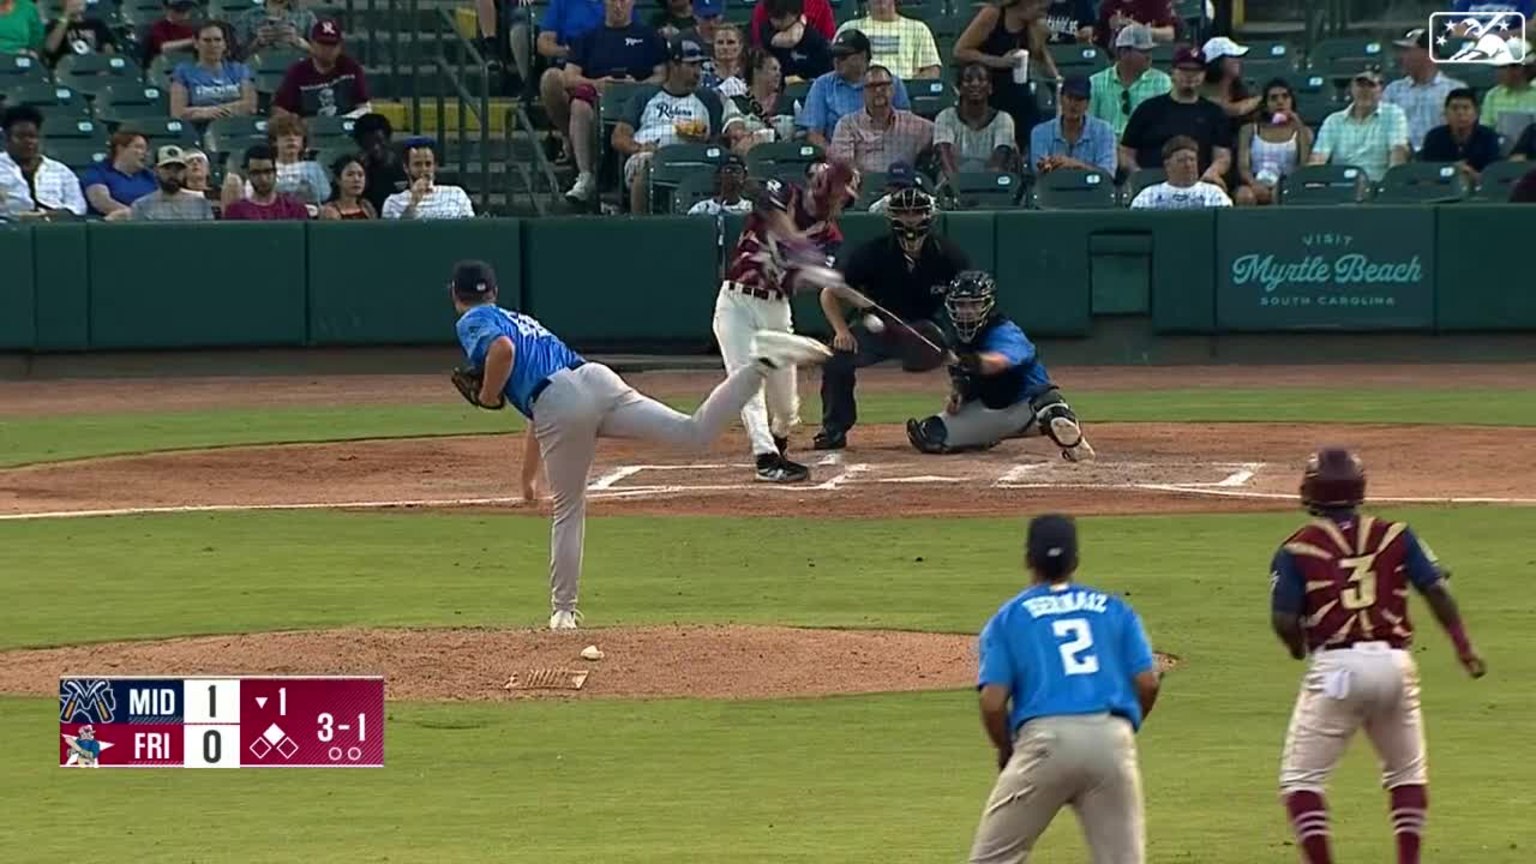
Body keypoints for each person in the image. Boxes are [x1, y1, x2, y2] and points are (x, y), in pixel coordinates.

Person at [449, 260, 836, 630]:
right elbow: (537, 404)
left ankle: (563, 614)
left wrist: (486, 394)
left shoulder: (473, 319)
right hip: (595, 379)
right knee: (693, 433)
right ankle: (763, 361)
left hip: (560, 405)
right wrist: (527, 479)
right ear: (495, 291)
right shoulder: (520, 318)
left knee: (569, 512)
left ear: (455, 293)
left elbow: (502, 351)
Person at [1271, 447, 1486, 864]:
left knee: (1302, 781)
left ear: (1311, 490)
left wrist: (1298, 647)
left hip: (1336, 668)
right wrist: (1463, 647)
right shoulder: (1397, 534)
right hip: (1395, 665)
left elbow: (1283, 618)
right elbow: (1438, 591)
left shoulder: (1297, 548)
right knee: (1406, 773)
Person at [967, 513, 1160, 863]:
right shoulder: (1115, 609)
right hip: (1110, 742)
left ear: (1028, 559)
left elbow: (993, 702)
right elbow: (1147, 682)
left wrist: (1006, 749)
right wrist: (1120, 730)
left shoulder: (1010, 617)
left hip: (1045, 743)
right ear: (1075, 561)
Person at [713, 161, 856, 482]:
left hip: (776, 310)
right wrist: (799, 246)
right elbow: (768, 208)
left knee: (787, 407)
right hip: (736, 303)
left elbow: (801, 283)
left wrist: (820, 273)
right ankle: (765, 456)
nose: (841, 203)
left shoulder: (830, 236)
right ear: (823, 188)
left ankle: (777, 438)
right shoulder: (787, 192)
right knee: (745, 381)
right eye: (838, 195)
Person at [814, 186, 969, 451]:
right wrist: (841, 330)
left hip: (929, 328)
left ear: (928, 216)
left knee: (973, 358)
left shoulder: (948, 255)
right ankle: (834, 429)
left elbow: (968, 299)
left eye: (917, 213)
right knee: (836, 360)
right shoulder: (872, 253)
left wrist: (958, 345)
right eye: (904, 213)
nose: (911, 220)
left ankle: (971, 424)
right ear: (892, 217)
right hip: (880, 329)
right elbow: (830, 292)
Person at [906, 271, 1094, 460]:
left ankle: (1062, 426)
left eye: (974, 304)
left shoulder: (1004, 331)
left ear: (987, 304)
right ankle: (984, 437)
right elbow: (963, 388)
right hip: (992, 409)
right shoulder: (957, 340)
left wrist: (969, 361)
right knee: (930, 434)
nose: (967, 311)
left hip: (1026, 406)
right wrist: (958, 397)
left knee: (1049, 411)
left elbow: (999, 362)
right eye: (961, 305)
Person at [1119, 46, 1232, 190]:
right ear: (1172, 72)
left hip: (1199, 185)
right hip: (1152, 185)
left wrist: (1212, 173)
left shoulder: (1214, 113)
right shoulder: (1148, 109)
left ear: (1204, 75)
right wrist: (1139, 176)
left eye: (1196, 71)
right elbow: (1125, 152)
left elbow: (1222, 156)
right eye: (1184, 69)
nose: (1190, 75)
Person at [953, 0, 1056, 151]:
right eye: (1041, 6)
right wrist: (998, 61)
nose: (1044, 12)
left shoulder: (1034, 25)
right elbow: (960, 51)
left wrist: (1057, 79)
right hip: (987, 91)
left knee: (1032, 117)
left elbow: (1040, 55)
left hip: (1018, 91)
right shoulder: (993, 14)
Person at [1309, 67, 1409, 184]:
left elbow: (1398, 151)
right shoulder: (1333, 121)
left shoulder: (1393, 114)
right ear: (1352, 88)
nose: (1365, 90)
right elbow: (1318, 158)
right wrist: (1312, 183)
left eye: (1371, 85)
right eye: (1360, 84)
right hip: (1341, 187)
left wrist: (1392, 184)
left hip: (1376, 186)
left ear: (1380, 90)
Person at [0, 105, 87, 221]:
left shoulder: (60, 170)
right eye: (21, 137)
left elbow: (78, 207)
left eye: (32, 136)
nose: (28, 142)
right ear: (7, 138)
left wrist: (48, 215)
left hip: (55, 228)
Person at [1236, 77, 1312, 206]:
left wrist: (1299, 126)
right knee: (1244, 196)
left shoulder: (1304, 132)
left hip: (1287, 183)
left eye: (1285, 97)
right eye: (1274, 98)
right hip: (1255, 182)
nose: (1280, 102)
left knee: (1279, 194)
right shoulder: (1249, 130)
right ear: (1265, 105)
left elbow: (1304, 164)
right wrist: (1255, 184)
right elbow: (1243, 167)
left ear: (1292, 101)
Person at [936, 63, 1019, 177]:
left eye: (981, 79)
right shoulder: (945, 116)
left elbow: (999, 163)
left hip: (991, 185)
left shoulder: (1003, 119)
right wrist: (957, 188)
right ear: (959, 89)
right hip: (952, 184)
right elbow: (945, 159)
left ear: (990, 88)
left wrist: (980, 191)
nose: (975, 84)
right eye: (968, 80)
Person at [1029, 74, 1116, 176]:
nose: (1073, 104)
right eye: (1069, 97)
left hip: (1091, 190)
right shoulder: (1040, 132)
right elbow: (1038, 174)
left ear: (1087, 103)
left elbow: (1108, 174)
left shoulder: (1104, 131)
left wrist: (1075, 164)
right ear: (1061, 99)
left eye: (1079, 99)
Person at [169, 22, 256, 122]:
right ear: (196, 43)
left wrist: (215, 110)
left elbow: (250, 106)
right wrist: (205, 113)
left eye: (218, 40)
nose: (213, 45)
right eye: (207, 40)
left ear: (224, 44)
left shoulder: (240, 70)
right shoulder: (183, 71)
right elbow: (177, 113)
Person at [1418, 88, 1503, 182]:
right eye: (1454, 108)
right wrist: (1452, 170)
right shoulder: (1434, 137)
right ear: (1445, 113)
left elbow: (1494, 178)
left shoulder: (1488, 137)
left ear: (1476, 113)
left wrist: (1470, 173)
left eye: (1466, 108)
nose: (1460, 113)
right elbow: (1426, 174)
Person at [1128, 135, 1232, 209]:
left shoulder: (1213, 194)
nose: (1188, 165)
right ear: (1167, 165)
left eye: (1192, 160)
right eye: (1181, 160)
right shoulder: (1148, 196)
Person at [43, 0, 117, 68]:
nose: (79, 2)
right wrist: (66, 15)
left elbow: (109, 50)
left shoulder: (97, 24)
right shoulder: (54, 25)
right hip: (69, 71)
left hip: (95, 71)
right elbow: (50, 48)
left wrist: (106, 68)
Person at [319, 155, 376, 219]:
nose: (356, 179)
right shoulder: (329, 211)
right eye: (350, 174)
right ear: (338, 180)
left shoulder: (367, 207)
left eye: (360, 175)